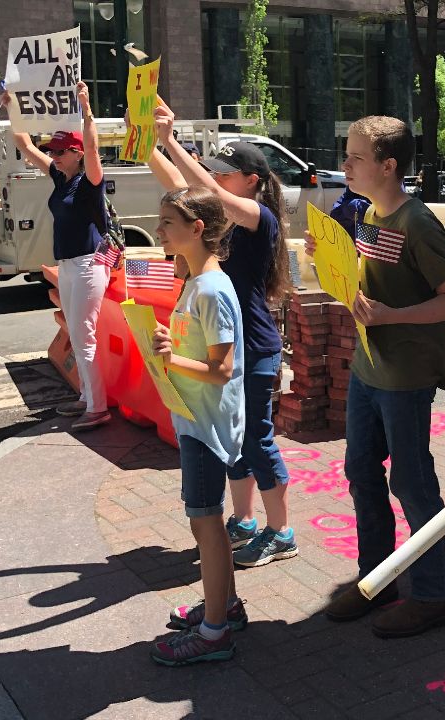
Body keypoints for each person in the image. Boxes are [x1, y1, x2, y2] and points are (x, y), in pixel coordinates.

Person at [306, 115, 445, 638]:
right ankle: (376, 578)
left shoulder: (417, 222)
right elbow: (374, 274)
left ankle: (434, 595)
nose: (345, 165)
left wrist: (390, 316)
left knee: (413, 483)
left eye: (354, 157)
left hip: (404, 373)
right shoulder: (371, 213)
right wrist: (333, 258)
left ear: (387, 165)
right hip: (369, 365)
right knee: (360, 471)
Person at [149, 101, 298, 569]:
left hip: (253, 348)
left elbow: (202, 187)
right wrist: (146, 138)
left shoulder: (258, 216)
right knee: (230, 440)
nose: (216, 178)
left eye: (226, 173)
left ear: (251, 180)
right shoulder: (211, 217)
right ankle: (246, 520)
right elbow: (179, 188)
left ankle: (281, 532)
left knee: (256, 438)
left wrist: (173, 140)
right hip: (225, 341)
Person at [146, 185, 248, 666]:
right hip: (194, 417)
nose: (160, 230)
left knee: (206, 522)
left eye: (168, 222)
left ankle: (214, 632)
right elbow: (199, 348)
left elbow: (222, 367)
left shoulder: (210, 288)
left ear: (197, 229)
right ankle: (223, 606)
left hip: (206, 425)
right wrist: (169, 341)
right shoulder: (195, 281)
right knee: (205, 522)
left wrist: (171, 358)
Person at [1, 81, 111, 431]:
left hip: (88, 264)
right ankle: (87, 398)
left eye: (61, 151)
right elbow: (25, 144)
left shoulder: (90, 180)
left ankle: (98, 407)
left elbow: (93, 148)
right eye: (55, 152)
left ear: (77, 153)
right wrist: (12, 109)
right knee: (77, 333)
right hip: (70, 265)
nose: (55, 155)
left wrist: (87, 109)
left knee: (83, 333)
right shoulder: (61, 179)